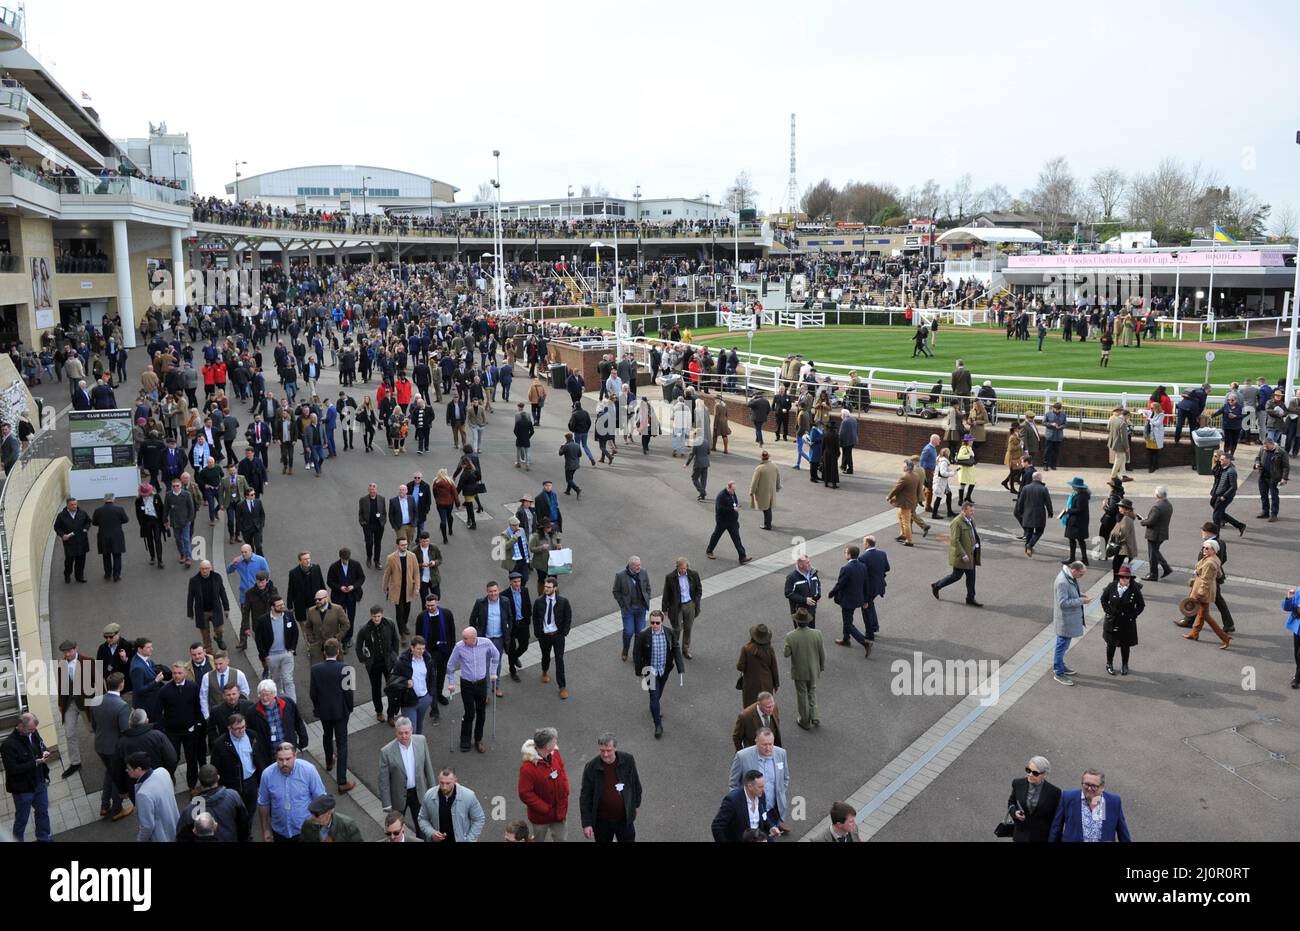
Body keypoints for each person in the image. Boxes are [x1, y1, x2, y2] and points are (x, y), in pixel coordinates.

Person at [310, 639, 355, 791]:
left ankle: (329, 761)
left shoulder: (315, 669)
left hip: (324, 711)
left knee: (327, 735)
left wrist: (318, 707)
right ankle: (342, 781)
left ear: (324, 652)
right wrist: (349, 708)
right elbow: (349, 693)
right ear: (338, 651)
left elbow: (313, 693)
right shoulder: (347, 668)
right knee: (342, 744)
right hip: (341, 711)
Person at [257, 742, 327, 842]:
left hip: (306, 832)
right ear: (276, 757)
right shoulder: (267, 775)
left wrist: (323, 828)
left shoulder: (308, 770)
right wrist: (265, 830)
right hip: (279, 833)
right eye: (280, 759)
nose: (284, 763)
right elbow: (263, 803)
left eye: (288, 759)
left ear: (295, 756)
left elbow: (321, 799)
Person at [579, 734, 643, 842]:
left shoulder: (628, 760)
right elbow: (585, 798)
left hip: (624, 819)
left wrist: (635, 805)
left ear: (615, 748)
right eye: (602, 750)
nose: (605, 754)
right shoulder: (591, 767)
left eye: (609, 750)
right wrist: (587, 824)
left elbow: (635, 784)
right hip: (602, 822)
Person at [631, 609, 683, 739]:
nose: (654, 625)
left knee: (658, 694)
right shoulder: (644, 635)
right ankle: (658, 725)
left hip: (664, 670)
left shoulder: (669, 633)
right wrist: (639, 671)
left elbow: (676, 648)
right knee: (654, 696)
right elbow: (637, 653)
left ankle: (654, 707)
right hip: (650, 671)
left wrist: (680, 667)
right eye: (652, 622)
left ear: (662, 622)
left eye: (657, 623)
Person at [446, 626, 500, 751]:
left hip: (481, 683)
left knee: (481, 712)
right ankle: (465, 740)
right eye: (463, 638)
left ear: (474, 638)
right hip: (467, 684)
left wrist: (493, 672)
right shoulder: (459, 646)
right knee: (469, 712)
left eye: (466, 638)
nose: (463, 640)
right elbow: (450, 665)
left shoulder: (486, 643)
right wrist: (451, 682)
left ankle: (478, 739)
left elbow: (496, 655)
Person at [210, 713, 272, 820]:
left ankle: (247, 833)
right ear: (229, 728)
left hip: (251, 781)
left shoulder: (252, 736)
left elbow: (260, 756)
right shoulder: (219, 744)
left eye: (243, 727)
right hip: (232, 785)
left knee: (251, 810)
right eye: (237, 728)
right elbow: (215, 767)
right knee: (236, 812)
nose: (242, 730)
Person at [2, 712, 52, 842]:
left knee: (42, 812)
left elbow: (41, 745)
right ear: (20, 726)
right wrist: (35, 763)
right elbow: (12, 769)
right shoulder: (8, 745)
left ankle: (44, 838)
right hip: (23, 789)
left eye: (34, 729)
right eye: (30, 729)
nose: (33, 731)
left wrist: (45, 751)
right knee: (22, 820)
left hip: (39, 782)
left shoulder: (33, 732)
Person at [728, 729, 789, 832]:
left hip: (772, 810)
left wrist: (780, 793)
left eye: (771, 744)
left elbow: (785, 778)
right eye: (764, 745)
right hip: (752, 812)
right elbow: (733, 784)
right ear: (756, 741)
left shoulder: (781, 753)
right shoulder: (742, 756)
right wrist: (741, 805)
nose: (768, 748)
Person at [378, 716, 436, 825]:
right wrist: (387, 804)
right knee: (396, 827)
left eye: (406, 732)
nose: (404, 736)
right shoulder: (386, 752)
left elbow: (428, 768)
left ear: (411, 730)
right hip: (398, 796)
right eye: (400, 733)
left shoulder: (421, 740)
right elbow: (383, 781)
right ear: (396, 732)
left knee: (422, 827)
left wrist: (433, 791)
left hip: (418, 793)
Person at [1048, 768, 1132, 842]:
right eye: (1086, 784)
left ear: (1102, 787)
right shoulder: (1068, 797)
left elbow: (1122, 832)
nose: (1089, 788)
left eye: (1094, 786)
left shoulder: (1113, 801)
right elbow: (1056, 828)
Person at [158, 661, 205, 794]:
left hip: (190, 730)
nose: (176, 675)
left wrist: (198, 724)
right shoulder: (164, 691)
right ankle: (170, 775)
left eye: (179, 673)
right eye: (174, 673)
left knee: (192, 759)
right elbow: (158, 711)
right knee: (173, 758)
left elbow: (198, 706)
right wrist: (163, 729)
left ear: (185, 673)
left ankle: (192, 785)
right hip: (172, 732)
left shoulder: (192, 687)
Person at [518, 727, 570, 841]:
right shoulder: (527, 768)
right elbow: (525, 793)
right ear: (547, 746)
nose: (557, 742)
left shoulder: (555, 753)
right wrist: (545, 808)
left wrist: (566, 788)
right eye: (554, 740)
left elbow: (562, 768)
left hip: (559, 811)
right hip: (540, 816)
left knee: (561, 839)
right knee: (539, 839)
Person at [177, 764, 249, 842]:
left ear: (200, 781)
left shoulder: (190, 810)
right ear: (218, 777)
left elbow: (182, 836)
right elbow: (244, 825)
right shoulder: (233, 796)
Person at [932, 501, 982, 607]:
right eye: (970, 510)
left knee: (971, 577)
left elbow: (973, 534)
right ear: (964, 510)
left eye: (973, 510)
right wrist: (963, 554)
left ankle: (970, 598)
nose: (972, 513)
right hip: (961, 556)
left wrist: (975, 544)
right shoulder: (957, 522)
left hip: (971, 554)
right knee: (956, 576)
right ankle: (937, 585)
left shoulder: (971, 520)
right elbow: (955, 540)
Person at [1184, 539, 1232, 649]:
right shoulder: (1214, 559)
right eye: (1203, 547)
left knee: (1206, 616)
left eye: (1207, 548)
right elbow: (1219, 574)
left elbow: (1205, 580)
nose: (1204, 550)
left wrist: (1199, 594)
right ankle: (1194, 633)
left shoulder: (1210, 563)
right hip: (1208, 589)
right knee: (1202, 614)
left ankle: (1225, 637)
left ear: (1214, 550)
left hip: (1202, 591)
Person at [418, 767, 487, 842]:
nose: (444, 787)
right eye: (442, 782)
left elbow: (479, 819)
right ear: (438, 779)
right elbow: (422, 819)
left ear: (455, 780)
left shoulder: (469, 796)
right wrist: (431, 833)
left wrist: (469, 840)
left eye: (448, 783)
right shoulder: (429, 795)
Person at [357, 604, 400, 723]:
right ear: (371, 616)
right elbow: (358, 645)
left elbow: (396, 640)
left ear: (382, 614)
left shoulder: (390, 624)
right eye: (374, 616)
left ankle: (391, 715)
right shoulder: (364, 629)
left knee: (391, 688)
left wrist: (394, 655)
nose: (376, 619)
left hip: (388, 662)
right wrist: (363, 660)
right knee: (375, 688)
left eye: (378, 616)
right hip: (373, 664)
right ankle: (379, 711)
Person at [784, 608, 826, 730]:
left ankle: (805, 720)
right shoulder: (817, 633)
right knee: (812, 691)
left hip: (799, 671)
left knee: (802, 694)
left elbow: (786, 654)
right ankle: (815, 715)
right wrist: (821, 666)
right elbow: (822, 653)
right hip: (813, 669)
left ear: (797, 622)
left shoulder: (790, 636)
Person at [1051, 561, 1091, 686]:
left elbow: (1069, 593)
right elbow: (1063, 603)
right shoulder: (1063, 582)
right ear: (1074, 570)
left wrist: (1079, 594)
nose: (1081, 577)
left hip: (1068, 621)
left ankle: (1060, 665)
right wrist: (1081, 601)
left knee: (1063, 645)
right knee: (1061, 645)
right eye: (1081, 574)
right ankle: (1058, 672)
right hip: (1065, 621)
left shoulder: (1068, 576)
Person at [1100, 564, 1144, 676]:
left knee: (1125, 645)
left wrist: (1132, 616)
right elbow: (1103, 599)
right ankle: (1109, 664)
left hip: (1127, 622)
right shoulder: (1112, 586)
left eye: (1127, 577)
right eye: (1122, 577)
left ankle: (1125, 665)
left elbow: (1141, 605)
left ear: (1130, 578)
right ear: (1119, 577)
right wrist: (1108, 611)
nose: (1125, 579)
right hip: (1112, 621)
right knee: (1111, 644)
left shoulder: (1134, 589)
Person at [532, 576, 572, 700]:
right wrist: (538, 633)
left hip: (558, 635)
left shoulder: (563, 601)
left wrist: (564, 632)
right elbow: (535, 618)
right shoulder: (539, 602)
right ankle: (544, 670)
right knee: (545, 656)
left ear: (555, 588)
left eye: (549, 587)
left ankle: (562, 686)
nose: (546, 589)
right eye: (545, 587)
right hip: (544, 636)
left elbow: (568, 618)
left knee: (559, 660)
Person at [711, 769, 779, 842]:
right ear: (750, 786)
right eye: (760, 787)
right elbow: (717, 827)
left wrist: (771, 827)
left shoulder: (761, 795)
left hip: (759, 838)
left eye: (763, 786)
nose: (763, 789)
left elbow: (764, 816)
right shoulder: (732, 801)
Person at [126, 751, 179, 842]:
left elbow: (147, 826)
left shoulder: (143, 794)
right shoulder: (162, 771)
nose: (127, 771)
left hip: (162, 835)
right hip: (175, 824)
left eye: (129, 769)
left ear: (138, 769)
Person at [1005, 756, 1061, 843]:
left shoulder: (1054, 792)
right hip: (1020, 835)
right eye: (1028, 770)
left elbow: (1056, 819)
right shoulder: (1018, 784)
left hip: (1041, 838)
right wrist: (1015, 813)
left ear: (1044, 774)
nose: (1030, 774)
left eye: (1035, 773)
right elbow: (1011, 803)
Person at [253, 596, 299, 702]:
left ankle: (292, 703)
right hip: (272, 656)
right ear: (272, 607)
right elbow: (259, 640)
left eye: (282, 604)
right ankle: (281, 699)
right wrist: (265, 655)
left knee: (288, 680)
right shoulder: (262, 620)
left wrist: (292, 650)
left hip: (286, 654)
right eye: (279, 605)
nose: (282, 606)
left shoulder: (288, 616)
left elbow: (295, 632)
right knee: (276, 679)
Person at [660, 557, 702, 659]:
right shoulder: (670, 577)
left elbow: (699, 589)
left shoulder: (694, 574)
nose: (683, 570)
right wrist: (664, 608)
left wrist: (695, 602)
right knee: (677, 628)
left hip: (689, 605)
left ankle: (685, 649)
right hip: (676, 606)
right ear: (677, 567)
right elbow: (666, 593)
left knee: (688, 628)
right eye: (681, 568)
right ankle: (674, 647)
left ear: (687, 567)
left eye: (685, 568)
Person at [613, 556, 652, 662]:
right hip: (628, 609)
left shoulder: (643, 572)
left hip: (641, 609)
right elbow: (616, 591)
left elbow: (648, 587)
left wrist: (647, 598)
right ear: (631, 566)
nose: (640, 567)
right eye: (637, 565)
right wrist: (622, 605)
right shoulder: (620, 576)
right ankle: (625, 649)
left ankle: (636, 655)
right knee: (629, 632)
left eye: (640, 564)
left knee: (640, 633)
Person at [382, 535, 421, 639]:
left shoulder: (412, 556)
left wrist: (417, 587)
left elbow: (416, 573)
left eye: (406, 545)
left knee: (407, 610)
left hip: (408, 588)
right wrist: (385, 586)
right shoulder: (391, 558)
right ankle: (401, 631)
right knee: (399, 611)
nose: (405, 546)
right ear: (397, 546)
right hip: (396, 589)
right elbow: (387, 573)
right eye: (402, 545)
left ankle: (404, 624)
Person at [326, 548, 365, 648]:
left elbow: (361, 578)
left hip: (352, 597)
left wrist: (354, 586)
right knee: (339, 619)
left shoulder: (355, 564)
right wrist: (340, 587)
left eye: (347, 559)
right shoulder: (334, 567)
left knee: (351, 618)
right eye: (344, 559)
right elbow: (329, 581)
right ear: (340, 557)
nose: (346, 561)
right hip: (339, 598)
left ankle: (348, 638)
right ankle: (339, 637)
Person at [706, 480, 750, 563]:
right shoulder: (721, 496)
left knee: (737, 539)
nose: (734, 492)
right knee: (716, 536)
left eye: (734, 490)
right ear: (728, 488)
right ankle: (709, 551)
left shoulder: (732, 494)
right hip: (722, 521)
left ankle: (742, 556)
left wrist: (736, 507)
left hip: (732, 521)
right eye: (733, 490)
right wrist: (732, 509)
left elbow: (734, 502)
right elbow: (720, 509)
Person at [736, 624, 780, 708]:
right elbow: (774, 668)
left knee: (750, 708)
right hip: (766, 683)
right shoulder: (770, 649)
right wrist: (776, 684)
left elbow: (740, 667)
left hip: (750, 683)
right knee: (765, 707)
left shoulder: (746, 649)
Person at [1014, 472, 1054, 558]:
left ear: (1033, 478)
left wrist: (1020, 511)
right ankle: (1030, 545)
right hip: (1039, 514)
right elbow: (1048, 502)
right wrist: (1050, 512)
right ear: (1040, 479)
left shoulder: (1025, 488)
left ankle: (1027, 548)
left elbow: (1021, 501)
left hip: (1027, 513)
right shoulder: (1043, 489)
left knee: (1029, 531)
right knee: (1039, 531)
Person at [888, 459, 927, 547]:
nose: (902, 467)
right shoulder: (916, 475)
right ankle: (903, 534)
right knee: (900, 516)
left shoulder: (905, 477)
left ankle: (909, 541)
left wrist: (889, 497)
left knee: (906, 522)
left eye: (903, 465)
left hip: (905, 503)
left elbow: (896, 489)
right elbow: (918, 489)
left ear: (907, 467)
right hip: (912, 501)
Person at [90, 493, 129, 582]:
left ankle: (108, 574)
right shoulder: (119, 509)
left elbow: (94, 523)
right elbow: (126, 520)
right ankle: (116, 575)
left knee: (106, 556)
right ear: (113, 499)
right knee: (117, 556)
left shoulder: (98, 510)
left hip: (103, 536)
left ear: (104, 500)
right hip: (117, 536)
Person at [54, 495, 92, 583]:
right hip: (70, 543)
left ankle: (79, 576)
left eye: (75, 504)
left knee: (81, 561)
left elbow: (88, 521)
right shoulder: (61, 516)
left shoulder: (82, 513)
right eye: (72, 505)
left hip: (82, 541)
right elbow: (57, 527)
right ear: (67, 505)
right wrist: (62, 535)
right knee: (69, 561)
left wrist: (86, 528)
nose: (74, 506)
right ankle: (67, 575)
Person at [1138, 486, 1173, 581]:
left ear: (1157, 495)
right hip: (1163, 533)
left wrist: (1143, 521)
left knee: (1153, 555)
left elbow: (1151, 522)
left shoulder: (1157, 507)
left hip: (1154, 534)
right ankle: (1165, 569)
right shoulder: (1169, 505)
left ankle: (1154, 574)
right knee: (1155, 552)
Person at [1253, 436, 1289, 522]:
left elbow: (1286, 467)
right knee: (1263, 495)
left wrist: (1284, 478)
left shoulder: (1281, 452)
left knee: (1274, 496)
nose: (1265, 448)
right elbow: (1257, 458)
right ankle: (1265, 512)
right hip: (1262, 476)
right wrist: (1257, 464)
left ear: (1272, 444)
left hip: (1274, 478)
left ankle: (1274, 514)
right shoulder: (1263, 449)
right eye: (1264, 446)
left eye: (1267, 446)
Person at [1060, 476, 1091, 567]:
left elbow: (1079, 509)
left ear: (1078, 487)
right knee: (1077, 540)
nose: (1072, 487)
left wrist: (1068, 510)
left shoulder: (1081, 497)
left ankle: (1076, 558)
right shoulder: (1081, 495)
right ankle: (1080, 558)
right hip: (1078, 522)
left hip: (1077, 522)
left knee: (1076, 540)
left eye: (1073, 486)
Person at [1106, 499, 1139, 581]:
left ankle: (1116, 583)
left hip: (1122, 547)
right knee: (1116, 565)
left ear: (1126, 509)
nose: (1119, 508)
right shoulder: (1125, 517)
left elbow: (1123, 533)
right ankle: (1116, 583)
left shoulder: (1126, 518)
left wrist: (1113, 535)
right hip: (1122, 546)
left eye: (1120, 507)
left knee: (1116, 566)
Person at [357, 483, 388, 568]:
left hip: (379, 525)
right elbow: (360, 513)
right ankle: (369, 557)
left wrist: (383, 522)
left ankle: (377, 561)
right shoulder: (363, 500)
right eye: (370, 490)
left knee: (378, 543)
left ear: (376, 490)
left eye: (374, 490)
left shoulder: (382, 499)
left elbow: (384, 512)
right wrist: (362, 523)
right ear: (368, 490)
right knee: (369, 542)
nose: (372, 491)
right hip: (368, 525)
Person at [749, 450, 781, 530]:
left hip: (763, 492)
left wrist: (751, 491)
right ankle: (768, 522)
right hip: (771, 491)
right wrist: (777, 487)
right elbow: (778, 479)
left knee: (765, 508)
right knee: (768, 507)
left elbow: (754, 482)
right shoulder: (774, 466)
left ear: (761, 458)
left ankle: (767, 525)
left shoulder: (759, 468)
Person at [1106, 407, 1132, 480]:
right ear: (1126, 415)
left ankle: (1123, 475)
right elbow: (1124, 438)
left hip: (1113, 441)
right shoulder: (1123, 423)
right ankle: (1113, 476)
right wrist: (1127, 447)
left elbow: (1108, 428)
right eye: (1128, 416)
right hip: (1119, 445)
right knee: (1119, 459)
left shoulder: (1113, 418)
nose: (1128, 418)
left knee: (1122, 458)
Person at [684, 435, 710, 500]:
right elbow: (708, 452)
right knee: (703, 479)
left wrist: (686, 464)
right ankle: (702, 495)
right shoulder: (706, 441)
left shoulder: (696, 443)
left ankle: (702, 492)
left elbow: (692, 454)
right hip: (706, 463)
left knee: (694, 478)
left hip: (698, 463)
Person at [1043, 402, 1066, 471]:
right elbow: (1043, 422)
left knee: (1056, 451)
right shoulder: (1048, 413)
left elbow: (1065, 424)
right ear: (1053, 408)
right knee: (1047, 451)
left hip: (1058, 436)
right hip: (1049, 435)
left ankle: (1053, 465)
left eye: (1058, 409)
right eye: (1056, 409)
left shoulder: (1063, 414)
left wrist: (1061, 427)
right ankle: (1045, 465)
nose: (1057, 411)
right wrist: (1051, 424)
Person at [1284, 586, 1300, 689]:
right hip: (1297, 629)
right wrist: (1289, 598)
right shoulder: (1298, 592)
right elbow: (1287, 608)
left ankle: (1297, 679)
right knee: (1296, 653)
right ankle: (1298, 673)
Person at [955, 434, 977, 505]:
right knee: (963, 484)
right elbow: (960, 456)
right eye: (971, 440)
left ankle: (968, 497)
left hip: (969, 469)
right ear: (967, 441)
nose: (972, 442)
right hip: (964, 470)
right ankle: (960, 500)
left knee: (972, 482)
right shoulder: (964, 448)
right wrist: (968, 456)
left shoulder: (969, 447)